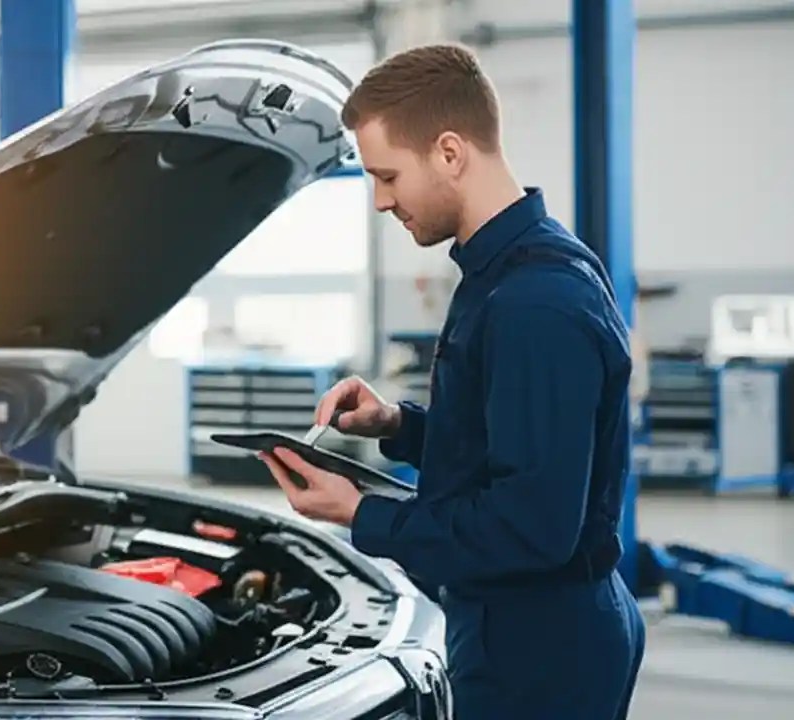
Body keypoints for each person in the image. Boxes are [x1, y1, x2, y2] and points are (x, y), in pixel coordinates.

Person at [257, 43, 646, 719]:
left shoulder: (534, 303)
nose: (380, 202)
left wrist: (360, 513)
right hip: (526, 624)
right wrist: (398, 426)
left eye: (387, 176)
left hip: (538, 646)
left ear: (448, 152)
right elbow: (520, 447)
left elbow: (531, 528)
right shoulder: (511, 273)